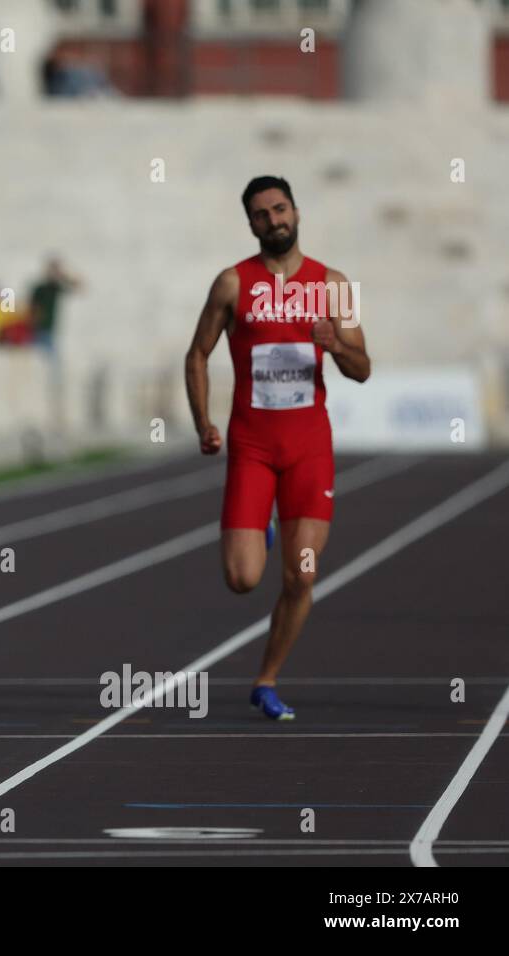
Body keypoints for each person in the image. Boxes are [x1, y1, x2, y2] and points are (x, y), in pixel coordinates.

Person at [184, 175, 370, 720]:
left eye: (280, 209)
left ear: (296, 211)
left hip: (309, 449)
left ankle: (266, 678)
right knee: (242, 579)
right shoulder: (231, 284)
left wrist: (336, 344)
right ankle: (259, 529)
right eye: (262, 214)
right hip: (252, 447)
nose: (274, 220)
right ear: (251, 224)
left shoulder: (334, 286)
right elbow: (196, 354)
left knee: (302, 573)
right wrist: (203, 423)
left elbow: (363, 369)